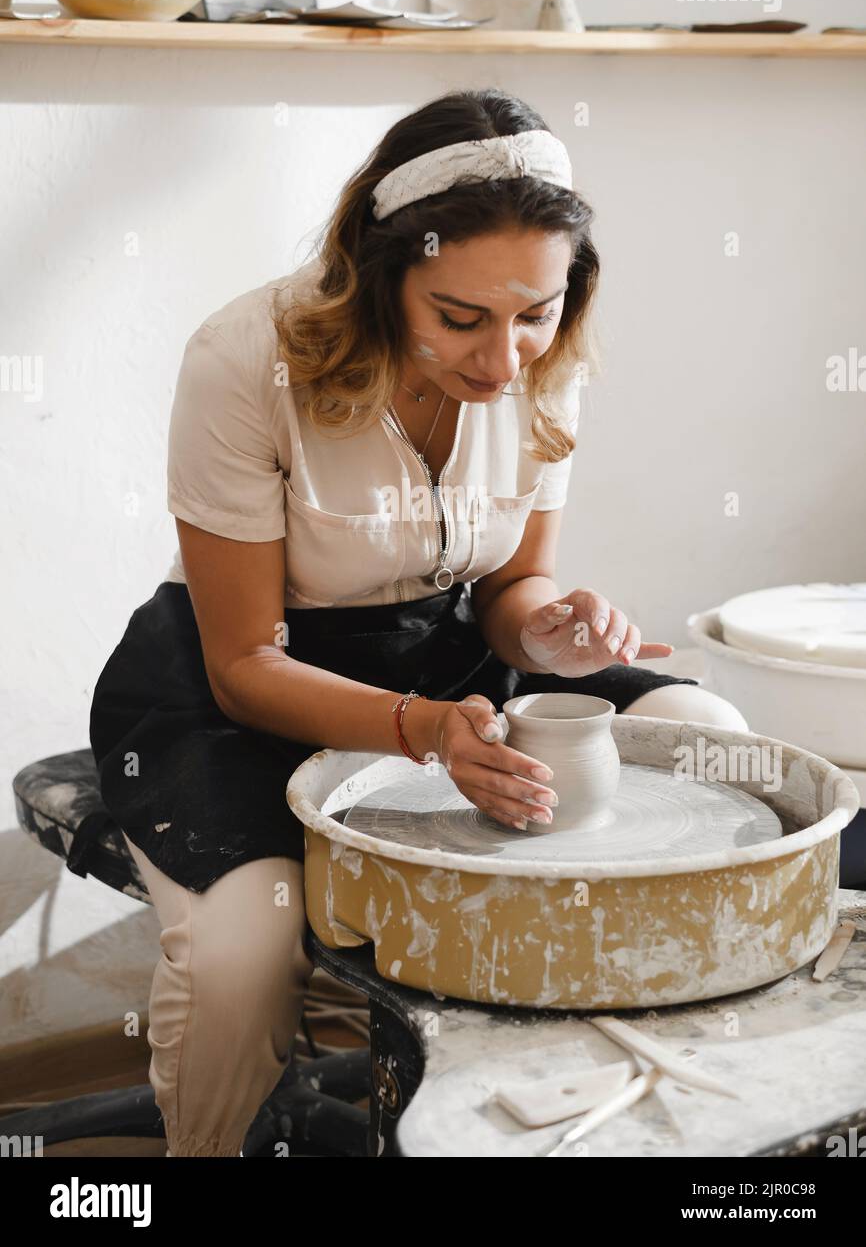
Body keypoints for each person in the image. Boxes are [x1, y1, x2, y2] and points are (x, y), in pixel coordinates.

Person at [88, 87, 747, 1158]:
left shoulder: (544, 357)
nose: (502, 362)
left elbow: (509, 593)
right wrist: (425, 731)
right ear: (379, 268)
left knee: (709, 727)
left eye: (533, 312)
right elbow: (244, 660)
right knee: (244, 950)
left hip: (451, 663)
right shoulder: (243, 359)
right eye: (458, 318)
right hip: (252, 685)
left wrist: (556, 631)